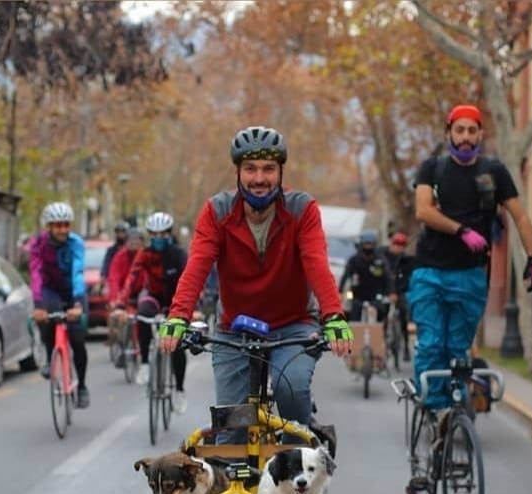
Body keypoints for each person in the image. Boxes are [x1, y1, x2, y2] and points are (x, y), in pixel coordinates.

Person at [158, 125, 353, 442]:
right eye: (250, 169)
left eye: (268, 169)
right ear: (238, 172)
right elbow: (197, 265)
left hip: (293, 326)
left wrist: (333, 316)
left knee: (292, 395)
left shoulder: (302, 209)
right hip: (235, 329)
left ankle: (302, 459)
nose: (259, 178)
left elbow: (316, 262)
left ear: (280, 171)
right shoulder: (217, 210)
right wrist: (179, 316)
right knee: (231, 435)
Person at [408, 104, 532, 482]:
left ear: (481, 135)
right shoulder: (431, 169)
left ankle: (452, 414)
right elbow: (422, 210)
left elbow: (521, 217)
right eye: (460, 130)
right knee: (432, 345)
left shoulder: (494, 172)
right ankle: (434, 416)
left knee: (457, 352)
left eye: (473, 130)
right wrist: (461, 231)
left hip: (470, 278)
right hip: (430, 273)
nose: (466, 137)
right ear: (449, 131)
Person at [116, 211, 190, 413]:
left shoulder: (179, 254)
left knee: (177, 345)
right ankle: (145, 364)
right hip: (154, 297)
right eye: (154, 234)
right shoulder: (145, 253)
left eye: (163, 233)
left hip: (177, 300)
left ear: (169, 233)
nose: (158, 238)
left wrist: (195, 309)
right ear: (149, 235)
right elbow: (133, 277)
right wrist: (121, 304)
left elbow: (191, 282)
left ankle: (180, 390)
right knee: (142, 314)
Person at [28, 201, 90, 408]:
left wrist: (78, 304)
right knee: (47, 316)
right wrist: (38, 305)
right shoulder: (38, 244)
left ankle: (81, 386)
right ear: (49, 227)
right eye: (57, 226)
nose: (63, 230)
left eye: (66, 225)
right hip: (50, 290)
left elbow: (78, 273)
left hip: (73, 291)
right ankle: (48, 357)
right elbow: (36, 274)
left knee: (78, 338)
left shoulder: (76, 243)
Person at [106, 227, 144, 366]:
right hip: (124, 295)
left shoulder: (146, 256)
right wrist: (114, 299)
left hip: (142, 294)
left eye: (137, 240)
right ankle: (122, 346)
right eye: (130, 240)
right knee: (121, 319)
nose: (133, 243)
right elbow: (114, 279)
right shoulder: (119, 257)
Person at [339, 229, 397, 322]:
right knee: (351, 312)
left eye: (370, 244)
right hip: (357, 294)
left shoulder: (380, 261)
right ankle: (354, 333)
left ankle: (381, 333)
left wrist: (392, 292)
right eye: (366, 244)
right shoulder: (354, 260)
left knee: (382, 311)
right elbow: (345, 276)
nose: (368, 247)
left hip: (376, 294)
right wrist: (340, 292)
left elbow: (388, 277)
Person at [384, 231, 418, 361]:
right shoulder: (383, 255)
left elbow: (409, 277)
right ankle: (383, 343)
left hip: (399, 291)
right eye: (396, 244)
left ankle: (404, 346)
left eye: (402, 245)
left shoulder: (407, 260)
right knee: (382, 314)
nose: (398, 247)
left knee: (404, 313)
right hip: (386, 291)